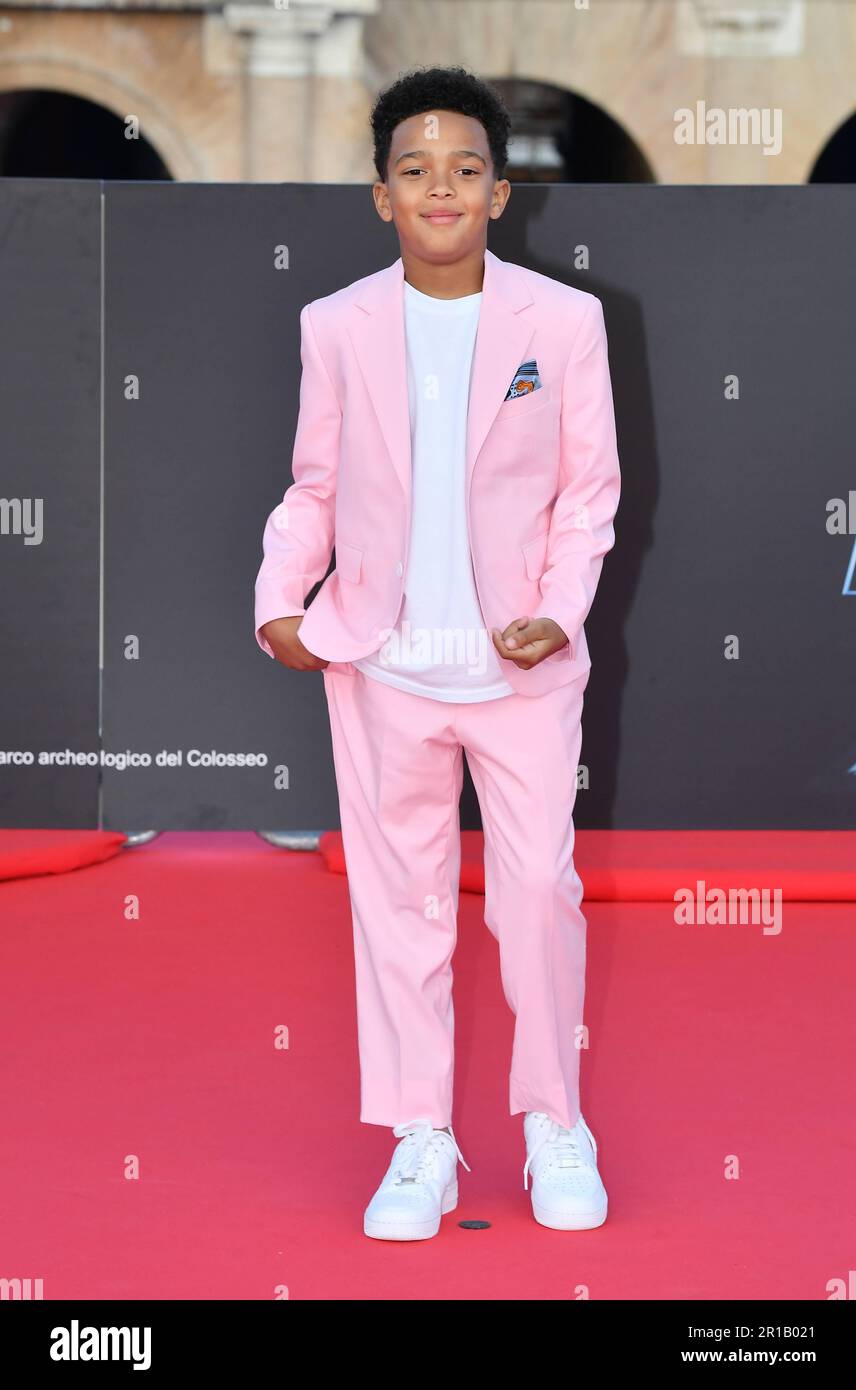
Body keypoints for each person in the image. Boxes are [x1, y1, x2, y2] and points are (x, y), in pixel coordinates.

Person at [254, 65, 621, 1240]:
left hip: (518, 676)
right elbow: (313, 484)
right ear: (380, 197)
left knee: (534, 899)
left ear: (500, 192)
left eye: (464, 168)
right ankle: (421, 1137)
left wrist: (558, 611)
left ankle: (553, 1119)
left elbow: (588, 496)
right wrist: (280, 596)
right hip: (382, 670)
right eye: (413, 170)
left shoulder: (563, 324)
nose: (440, 189)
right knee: (400, 908)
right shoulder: (334, 325)